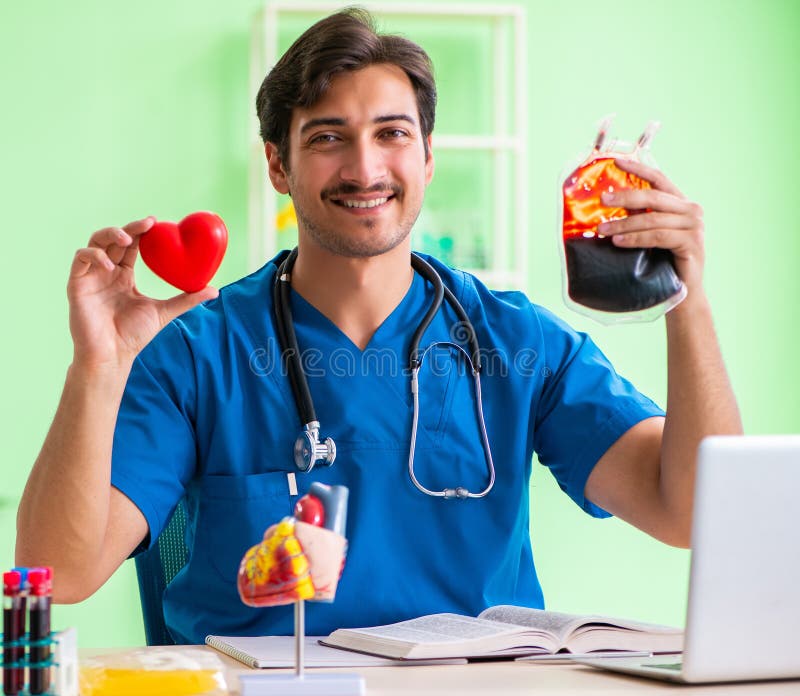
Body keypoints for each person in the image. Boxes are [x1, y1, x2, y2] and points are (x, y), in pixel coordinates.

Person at [16, 9, 741, 644]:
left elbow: (694, 514)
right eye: (328, 137)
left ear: (426, 155)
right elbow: (63, 571)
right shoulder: (198, 351)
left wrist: (688, 300)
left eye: (391, 133)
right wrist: (98, 367)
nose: (364, 168)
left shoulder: (519, 346)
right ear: (278, 163)